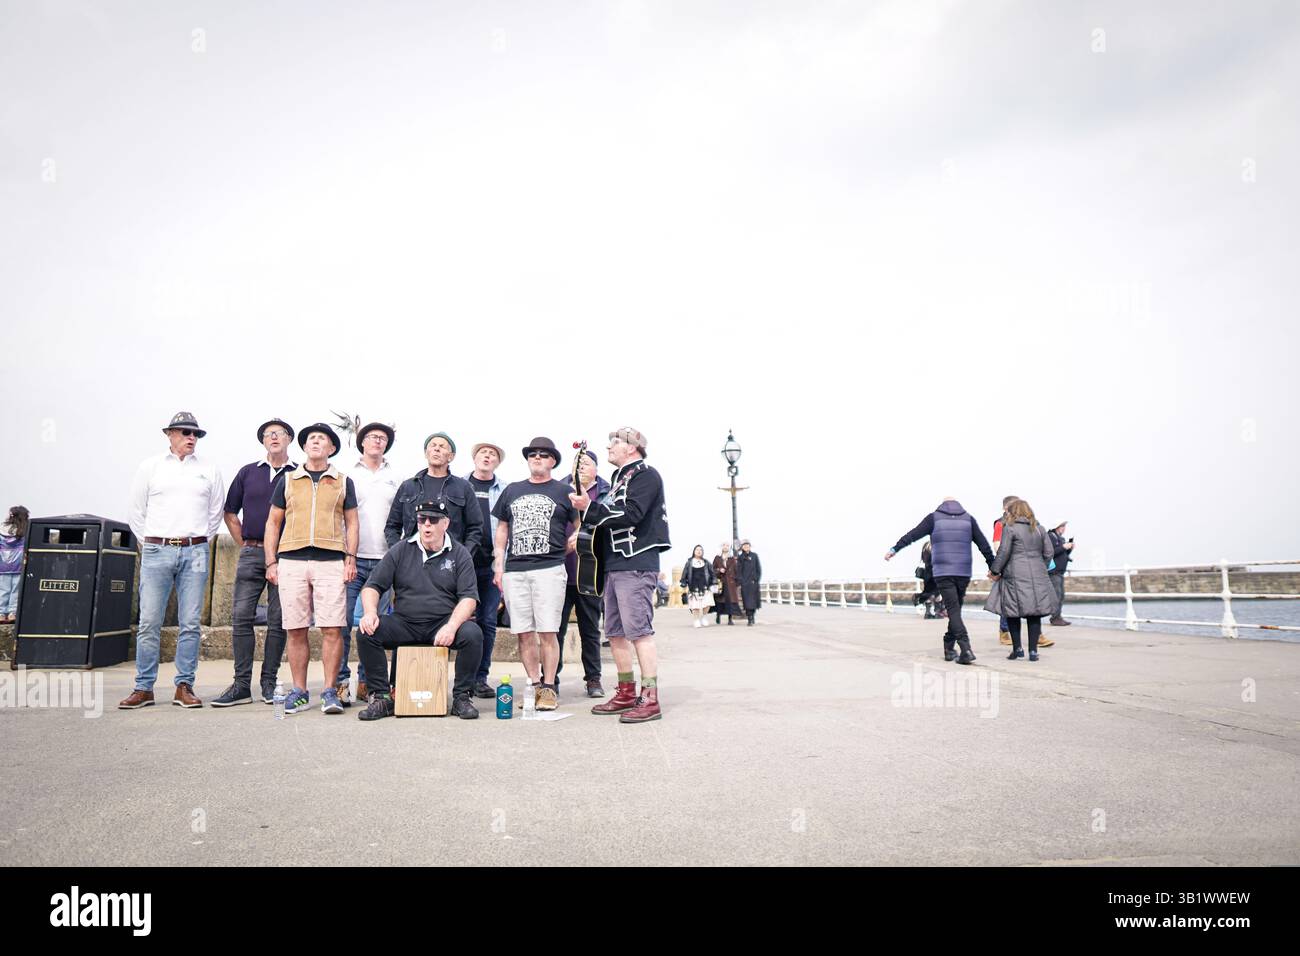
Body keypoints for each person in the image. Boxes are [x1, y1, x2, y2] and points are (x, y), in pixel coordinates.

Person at [119, 412, 225, 710]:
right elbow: (136, 512)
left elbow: (215, 513)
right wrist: (153, 542)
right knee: (149, 621)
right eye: (186, 433)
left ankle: (184, 685)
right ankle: (143, 688)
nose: (192, 438)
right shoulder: (150, 467)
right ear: (170, 434)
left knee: (190, 623)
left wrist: (198, 540)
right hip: (156, 549)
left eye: (196, 434)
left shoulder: (209, 469)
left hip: (196, 551)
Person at [570, 426, 671, 723]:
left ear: (632, 447)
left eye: (615, 442)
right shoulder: (618, 479)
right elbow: (606, 518)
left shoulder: (645, 474)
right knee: (614, 632)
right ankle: (626, 691)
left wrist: (591, 507)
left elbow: (632, 514)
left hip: (636, 562)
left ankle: (649, 697)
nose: (609, 447)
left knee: (639, 631)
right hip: (614, 564)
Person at [354, 497, 483, 721]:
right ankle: (382, 697)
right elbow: (372, 586)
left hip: (442, 623)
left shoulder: (460, 553)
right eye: (422, 520)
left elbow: (469, 599)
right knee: (367, 631)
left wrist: (452, 626)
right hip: (405, 622)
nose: (427, 525)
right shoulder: (401, 550)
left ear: (446, 523)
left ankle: (462, 697)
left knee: (473, 634)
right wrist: (370, 612)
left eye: (433, 520)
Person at [264, 423, 359, 715]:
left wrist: (350, 557)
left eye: (323, 439)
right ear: (304, 447)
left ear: (331, 448)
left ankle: (330, 691)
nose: (316, 442)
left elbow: (352, 522)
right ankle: (299, 690)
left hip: (330, 560)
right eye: (311, 439)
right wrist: (271, 561)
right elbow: (273, 522)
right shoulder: (288, 480)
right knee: (295, 629)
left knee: (332, 628)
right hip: (291, 560)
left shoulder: (343, 481)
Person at [212, 418, 298, 707]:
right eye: (268, 434)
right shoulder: (248, 473)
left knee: (279, 620)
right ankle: (240, 684)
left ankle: (269, 682)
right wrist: (246, 544)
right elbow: (230, 512)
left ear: (289, 439)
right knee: (241, 615)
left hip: (287, 557)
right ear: (263, 441)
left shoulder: (297, 475)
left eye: (280, 433)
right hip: (252, 552)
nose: (274, 437)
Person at [491, 437, 577, 711]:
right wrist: (499, 563)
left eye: (543, 454)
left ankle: (550, 687)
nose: (537, 458)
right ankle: (534, 685)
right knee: (523, 633)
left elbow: (580, 524)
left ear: (553, 461)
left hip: (550, 569)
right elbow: (502, 528)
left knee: (548, 631)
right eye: (532, 454)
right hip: (516, 570)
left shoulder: (565, 491)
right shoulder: (512, 490)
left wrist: (574, 540)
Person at [886, 498, 995, 664]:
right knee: (955, 609)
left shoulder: (934, 518)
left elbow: (913, 535)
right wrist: (993, 567)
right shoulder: (968, 519)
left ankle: (958, 648)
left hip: (943, 571)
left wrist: (895, 548)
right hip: (963, 571)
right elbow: (983, 544)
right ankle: (956, 647)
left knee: (953, 610)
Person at [339, 421, 400, 705]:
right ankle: (341, 681)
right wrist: (345, 555)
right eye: (373, 437)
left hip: (384, 560)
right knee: (341, 623)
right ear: (362, 442)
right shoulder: (347, 474)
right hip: (351, 557)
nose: (378, 441)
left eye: (383, 438)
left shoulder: (395, 476)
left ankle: (366, 682)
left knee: (373, 624)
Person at [557, 447, 610, 697]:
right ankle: (550, 678)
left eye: (586, 463)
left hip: (591, 569)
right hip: (560, 568)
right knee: (555, 628)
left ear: (596, 469)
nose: (581, 468)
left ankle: (593, 679)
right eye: (577, 463)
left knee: (590, 628)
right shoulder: (558, 489)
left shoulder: (606, 491)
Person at [385, 432, 484, 557]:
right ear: (426, 453)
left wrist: (462, 557)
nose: (436, 448)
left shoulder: (464, 487)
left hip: (449, 561)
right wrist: (399, 555)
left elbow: (475, 528)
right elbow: (392, 526)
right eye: (433, 445)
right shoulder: (408, 486)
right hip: (411, 560)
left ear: (451, 457)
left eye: (442, 446)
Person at [984, 499, 1058, 661]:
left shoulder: (1010, 528)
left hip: (1014, 575)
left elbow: (1003, 552)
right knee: (1034, 613)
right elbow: (1048, 552)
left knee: (1012, 612)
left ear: (1013, 511)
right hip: (1038, 574)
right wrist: (1040, 567)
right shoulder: (1039, 529)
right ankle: (1033, 651)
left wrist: (995, 570)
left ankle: (1017, 649)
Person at [465, 442, 506, 699]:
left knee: (488, 622)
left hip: (491, 566)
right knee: (456, 622)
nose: (487, 456)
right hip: (461, 566)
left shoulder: (505, 489)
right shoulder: (458, 484)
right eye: (483, 452)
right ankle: (462, 679)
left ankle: (480, 677)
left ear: (497, 462)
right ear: (474, 458)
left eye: (493, 454)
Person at [0, 505, 30, 624]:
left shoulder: (2, 529)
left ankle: (1, 614)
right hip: (18, 563)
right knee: (16, 590)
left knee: (3, 589)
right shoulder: (24, 529)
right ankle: (12, 613)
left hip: (3, 563)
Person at [680, 545, 716, 627]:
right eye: (697, 549)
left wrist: (714, 582)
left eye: (701, 550)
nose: (699, 551)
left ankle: (704, 617)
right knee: (695, 605)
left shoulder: (706, 562)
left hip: (705, 586)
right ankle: (696, 620)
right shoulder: (689, 562)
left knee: (707, 603)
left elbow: (712, 573)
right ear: (694, 551)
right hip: (693, 587)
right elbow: (684, 573)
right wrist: (683, 582)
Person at [1047, 521, 1074, 626]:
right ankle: (1055, 618)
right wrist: (1064, 547)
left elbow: (1063, 554)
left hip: (1060, 572)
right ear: (1056, 527)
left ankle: (1058, 616)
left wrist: (1069, 549)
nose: (1064, 528)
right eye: (1062, 526)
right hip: (1054, 572)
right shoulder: (1050, 536)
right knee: (1057, 596)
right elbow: (1051, 552)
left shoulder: (1060, 538)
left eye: (1064, 526)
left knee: (1061, 595)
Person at [736, 540, 762, 626]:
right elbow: (739, 571)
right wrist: (741, 581)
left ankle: (752, 615)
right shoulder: (740, 557)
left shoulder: (754, 556)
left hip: (754, 583)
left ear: (750, 546)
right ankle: (750, 618)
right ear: (742, 547)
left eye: (747, 545)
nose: (746, 546)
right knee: (747, 602)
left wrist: (757, 579)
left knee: (754, 601)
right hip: (745, 583)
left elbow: (758, 569)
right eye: (744, 545)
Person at [711, 543, 739, 625]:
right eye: (724, 545)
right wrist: (719, 570)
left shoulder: (732, 559)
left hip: (730, 583)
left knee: (730, 601)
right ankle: (718, 616)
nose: (725, 547)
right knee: (719, 600)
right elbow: (712, 570)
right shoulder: (717, 558)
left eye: (727, 546)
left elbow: (736, 570)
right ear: (721, 547)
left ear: (729, 548)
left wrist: (736, 582)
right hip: (721, 582)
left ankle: (730, 619)